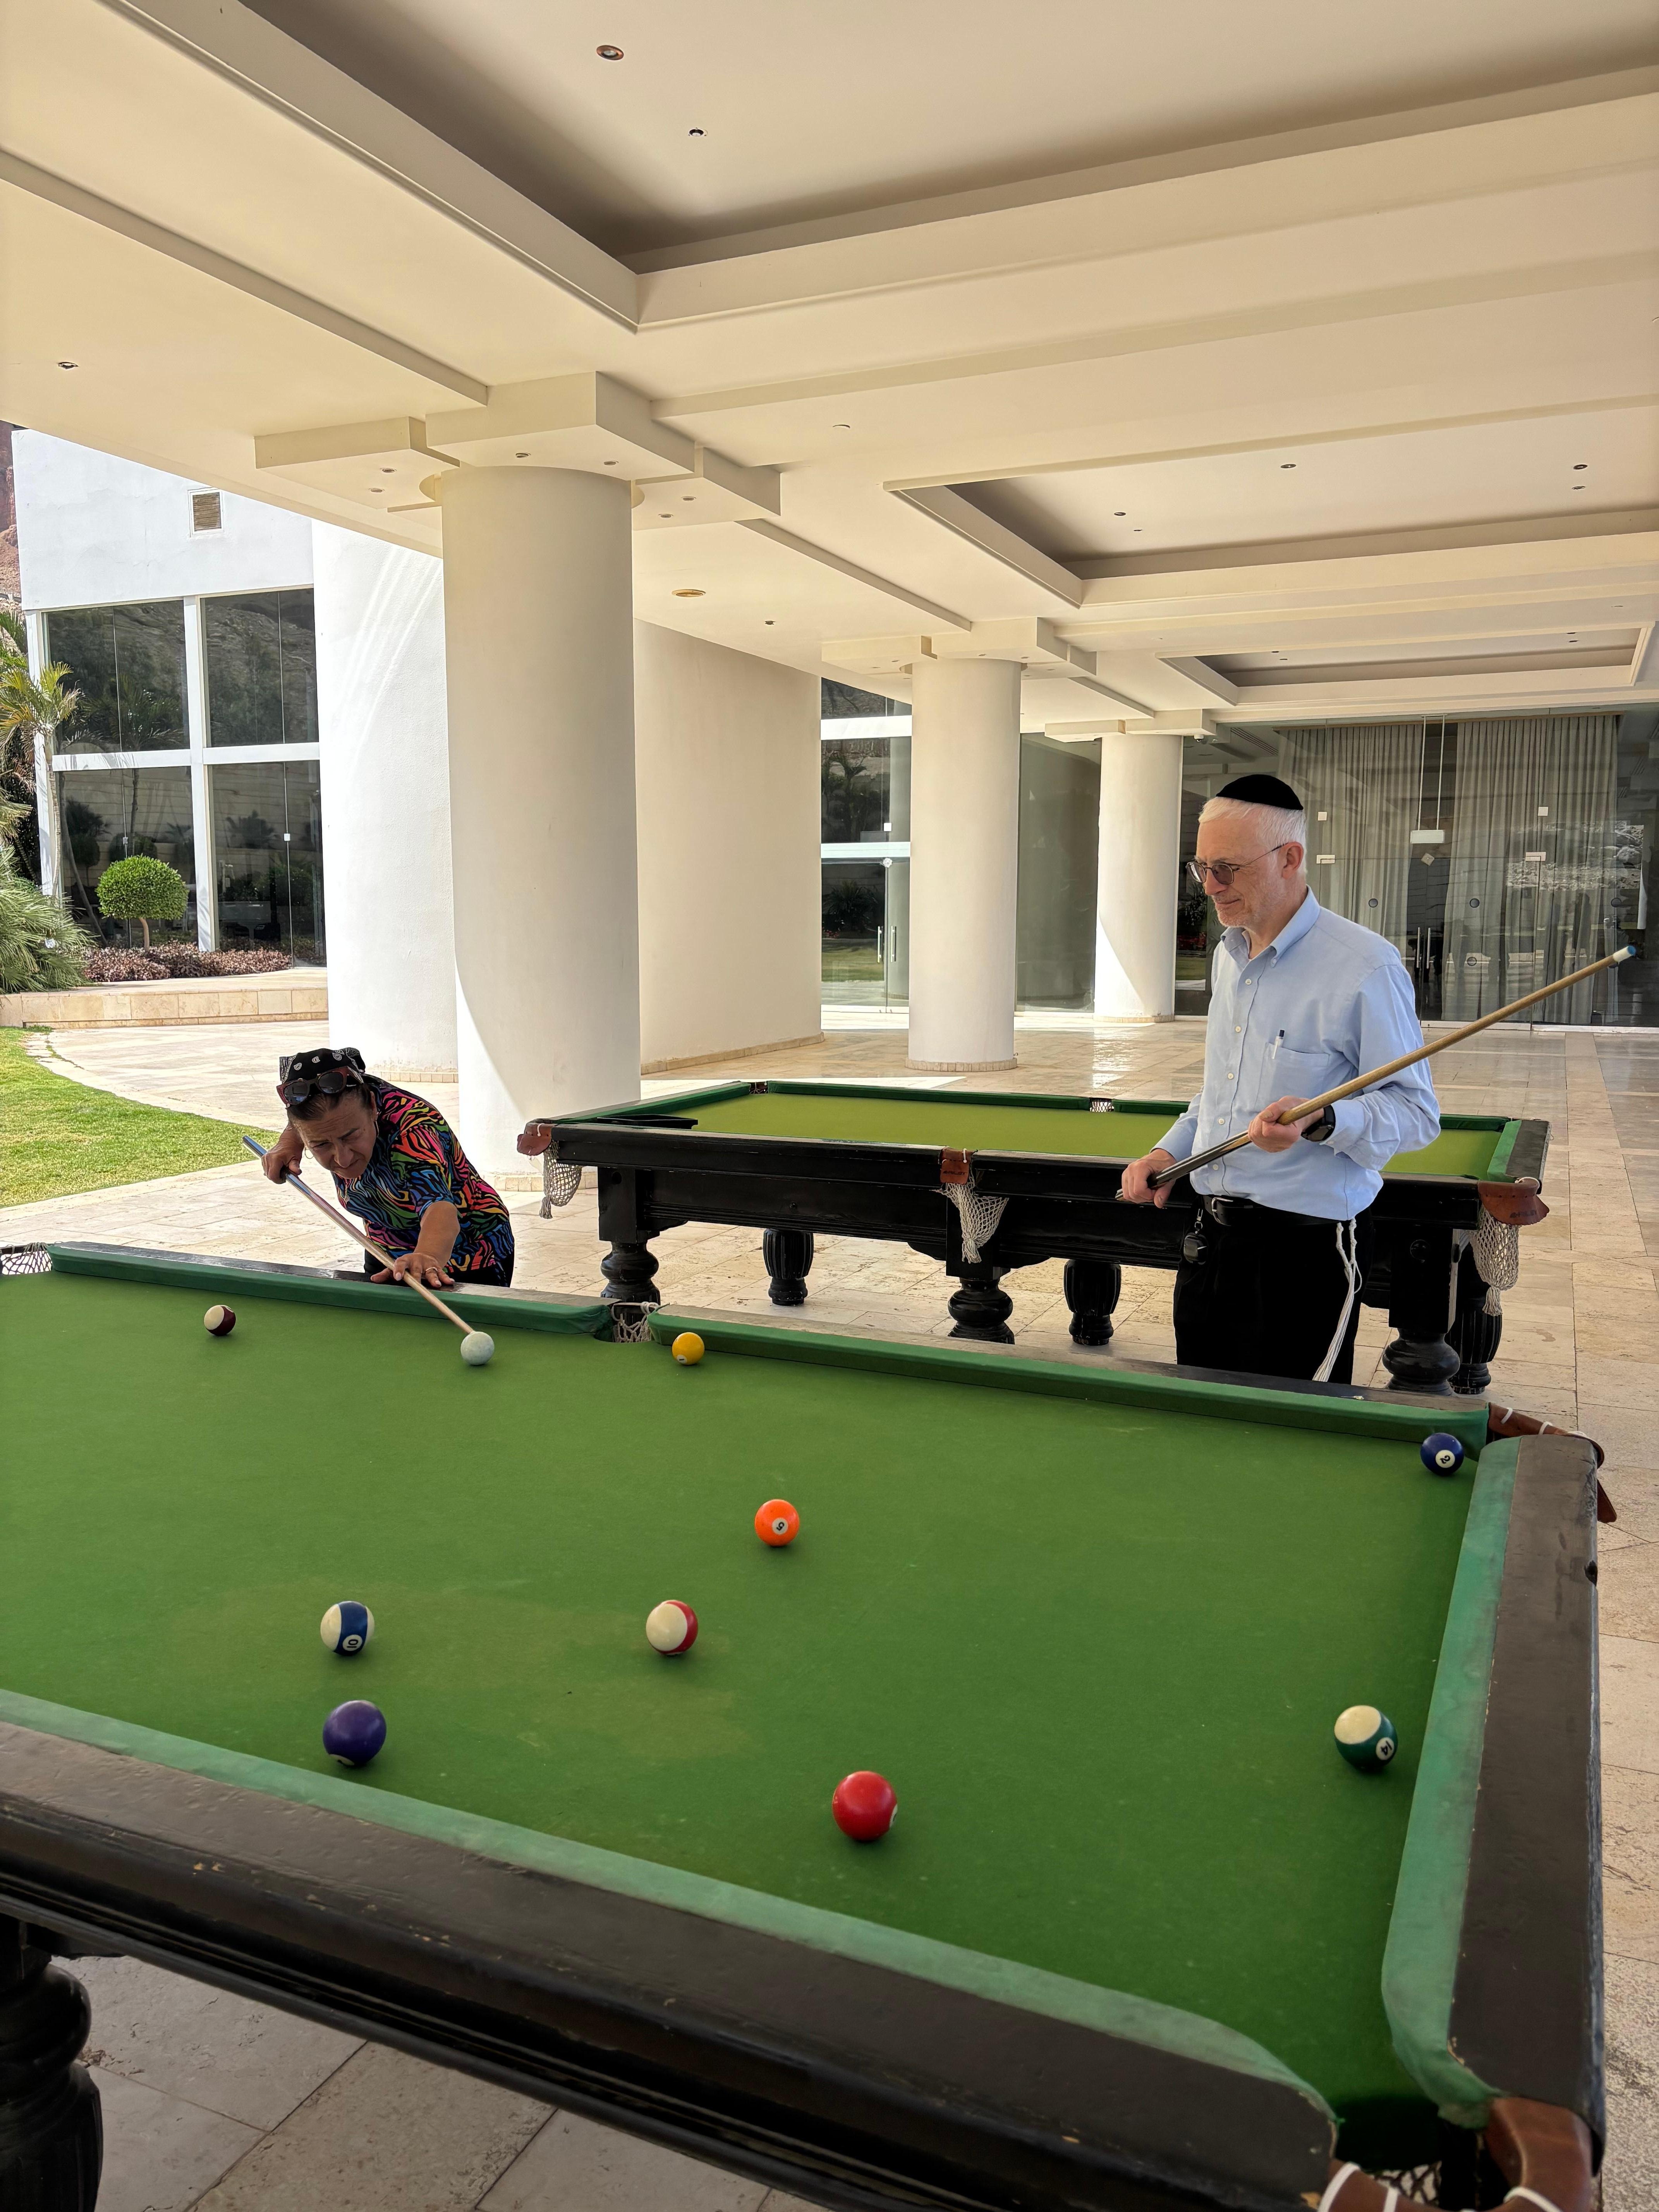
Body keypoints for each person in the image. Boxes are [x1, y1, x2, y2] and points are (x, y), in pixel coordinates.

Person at [1120, 775, 1439, 1384]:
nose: (1210, 886)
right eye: (1202, 868)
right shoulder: (1229, 956)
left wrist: (1324, 1119)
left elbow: (1416, 1113)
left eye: (1227, 868)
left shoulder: (1365, 967)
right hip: (1210, 1241)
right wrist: (1169, 1151)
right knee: (1205, 1421)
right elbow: (1222, 1092)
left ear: (1289, 858)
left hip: (1307, 1254)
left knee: (1294, 1429)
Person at [261, 1046, 515, 1288]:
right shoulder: (332, 1113)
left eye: (352, 1136)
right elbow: (309, 1117)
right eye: (321, 1145)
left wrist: (427, 1255)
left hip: (470, 1248)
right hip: (386, 1244)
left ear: (373, 1107)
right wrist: (289, 1141)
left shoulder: (414, 1134)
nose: (343, 1159)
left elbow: (440, 1210)